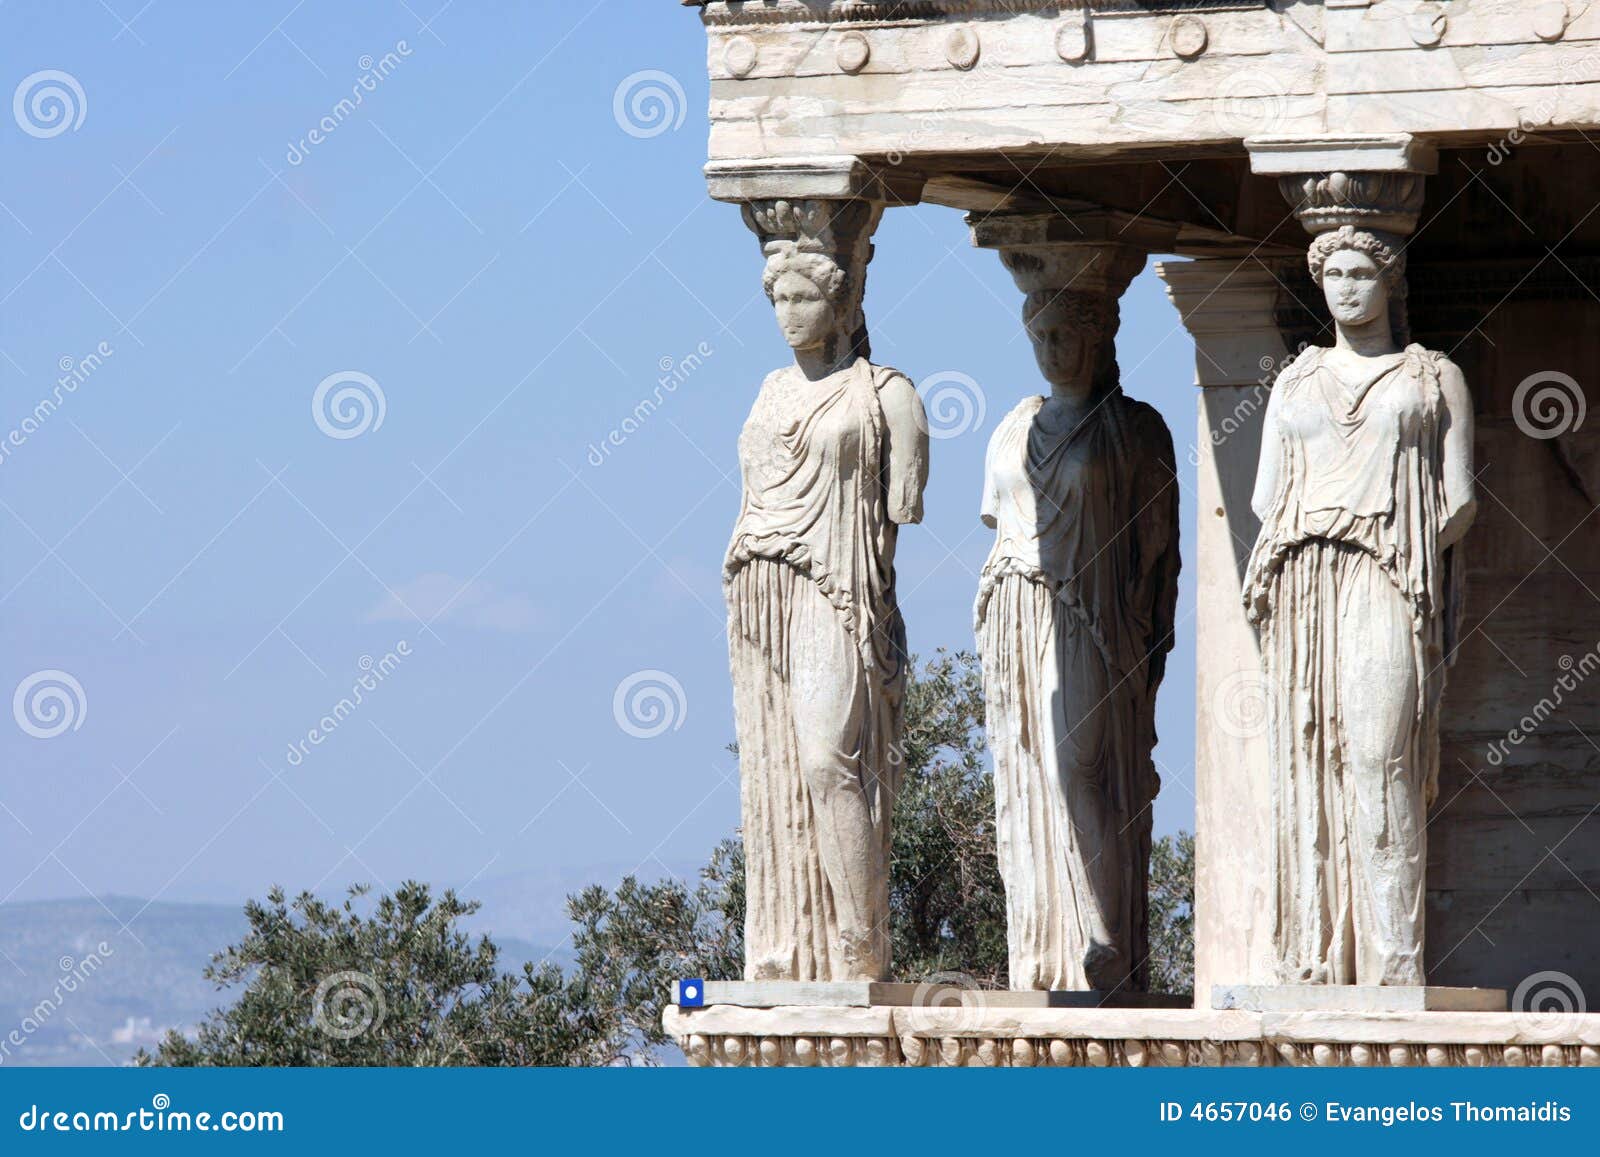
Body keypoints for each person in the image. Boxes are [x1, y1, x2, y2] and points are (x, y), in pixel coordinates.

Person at [1245, 224, 1477, 986]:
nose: (1346, 288)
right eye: (1333, 275)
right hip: (1304, 577)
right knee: (1311, 757)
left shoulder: (1432, 377)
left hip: (1388, 571)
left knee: (1381, 756)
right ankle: (1317, 956)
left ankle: (1394, 962)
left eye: (1361, 273)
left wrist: (1397, 542)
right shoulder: (1295, 381)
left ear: (1390, 280)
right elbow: (1265, 497)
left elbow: (1458, 499)